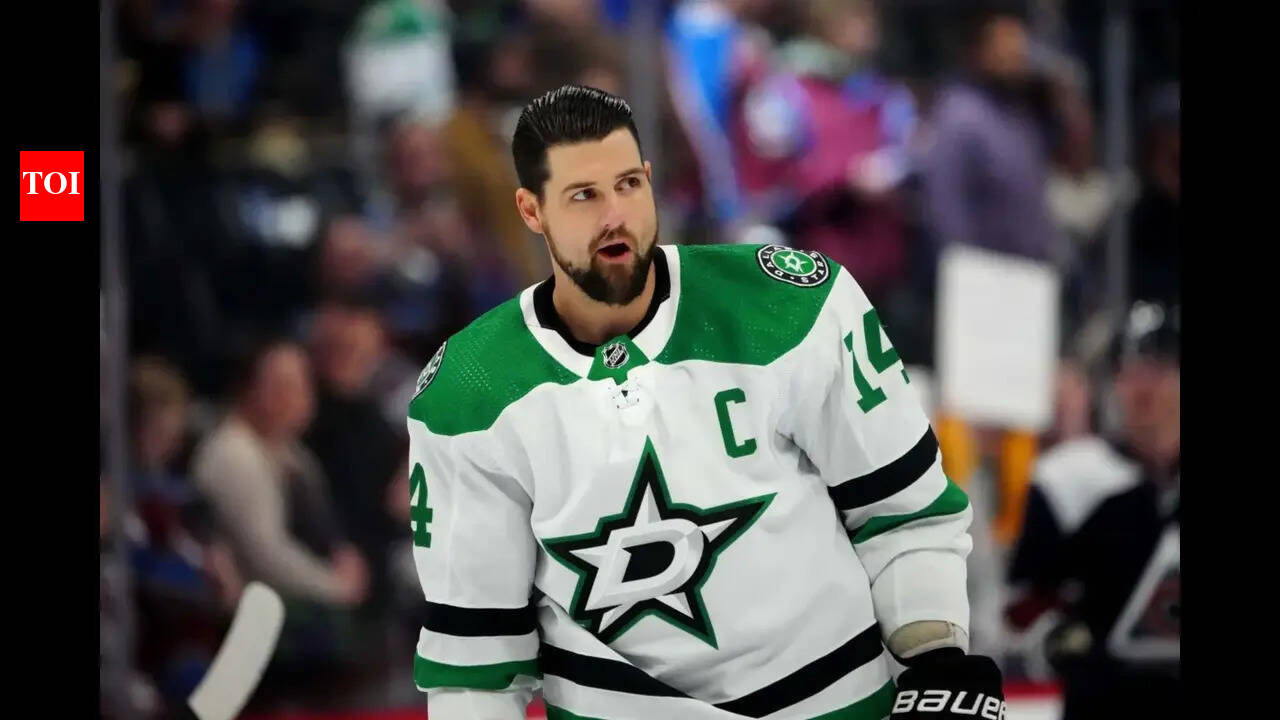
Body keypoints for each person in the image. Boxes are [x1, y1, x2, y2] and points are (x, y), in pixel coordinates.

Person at [407, 85, 1003, 720]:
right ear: (532, 210)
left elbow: (902, 511)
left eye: (628, 184)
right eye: (584, 195)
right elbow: (478, 660)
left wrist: (934, 658)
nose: (615, 215)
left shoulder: (790, 306)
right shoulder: (466, 396)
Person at [1006, 301, 1180, 718]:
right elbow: (1018, 606)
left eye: (1159, 368)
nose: (1143, 385)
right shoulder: (1068, 480)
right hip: (1102, 704)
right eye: (1129, 370)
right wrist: (1062, 636)